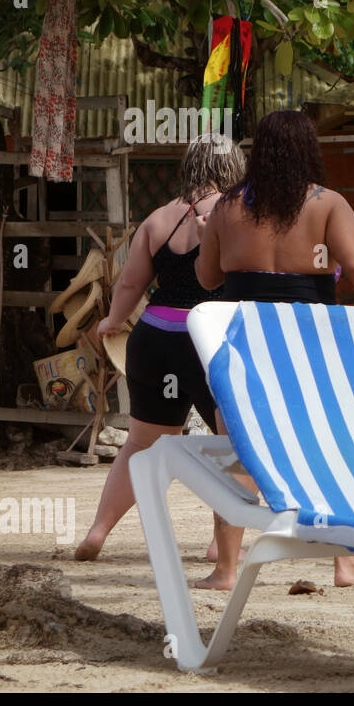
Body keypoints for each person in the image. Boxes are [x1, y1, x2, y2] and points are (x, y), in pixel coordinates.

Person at [195, 110, 354, 590]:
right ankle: (345, 566)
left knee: (236, 452)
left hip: (243, 341)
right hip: (310, 345)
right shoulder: (328, 204)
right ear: (310, 149)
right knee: (330, 448)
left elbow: (206, 278)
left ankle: (225, 570)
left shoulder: (226, 207)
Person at [74, 133, 244, 561]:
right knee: (239, 445)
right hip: (208, 340)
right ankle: (220, 546)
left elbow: (131, 282)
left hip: (153, 339)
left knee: (140, 443)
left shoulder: (157, 219)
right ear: (233, 168)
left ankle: (98, 530)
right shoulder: (235, 214)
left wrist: (112, 321)